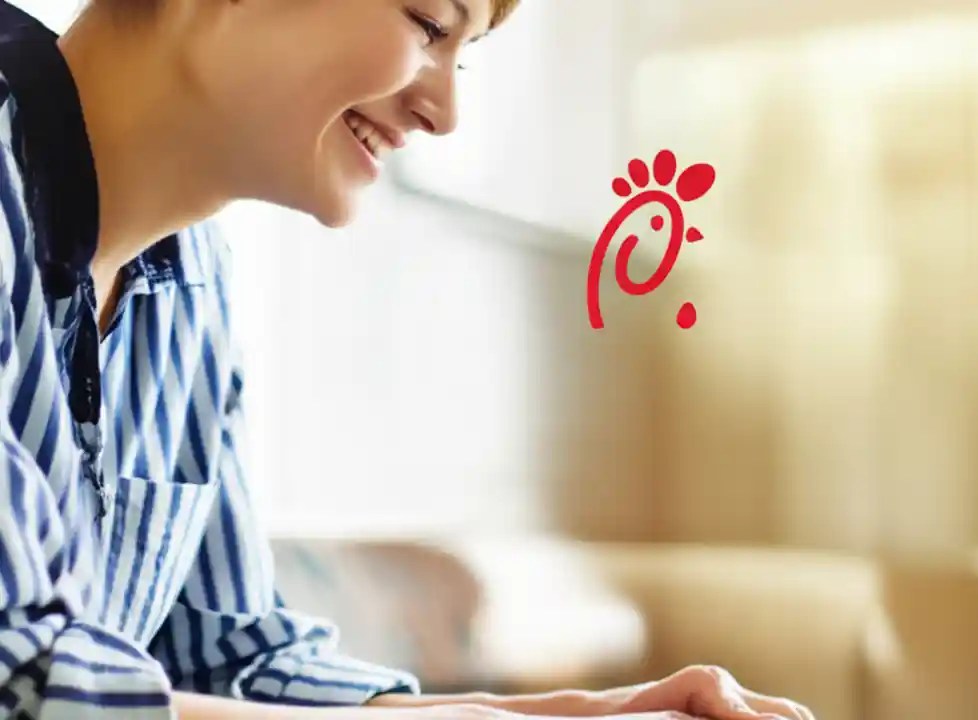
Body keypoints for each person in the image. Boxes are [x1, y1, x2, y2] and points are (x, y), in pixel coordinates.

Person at [0, 0, 817, 719]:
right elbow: (20, 683)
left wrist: (570, 715)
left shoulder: (193, 292)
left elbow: (233, 666)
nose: (445, 110)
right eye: (428, 24)